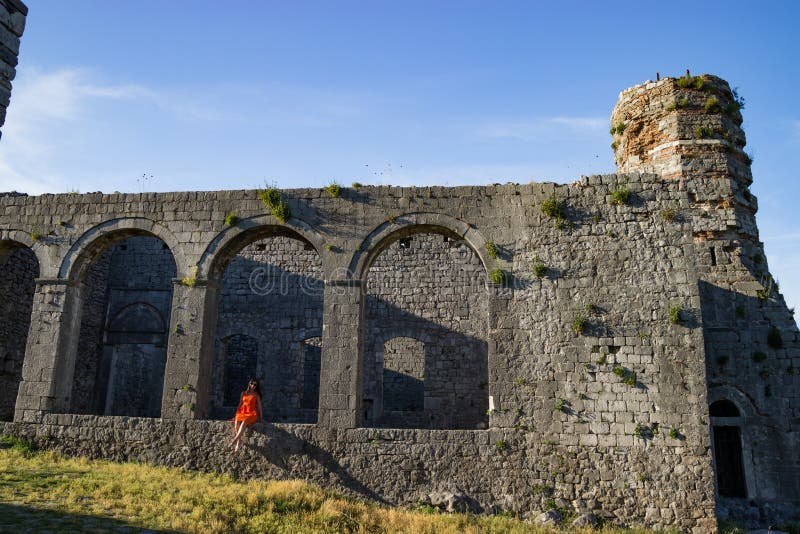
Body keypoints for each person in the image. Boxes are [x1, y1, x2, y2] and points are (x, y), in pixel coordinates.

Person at [231, 378, 263, 452]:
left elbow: (260, 407)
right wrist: (236, 414)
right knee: (236, 422)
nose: (253, 386)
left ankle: (235, 440)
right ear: (249, 383)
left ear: (256, 386)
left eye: (255, 385)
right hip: (242, 412)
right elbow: (240, 404)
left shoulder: (256, 395)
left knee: (244, 421)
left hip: (252, 413)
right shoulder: (243, 393)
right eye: (252, 383)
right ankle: (239, 442)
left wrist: (261, 418)